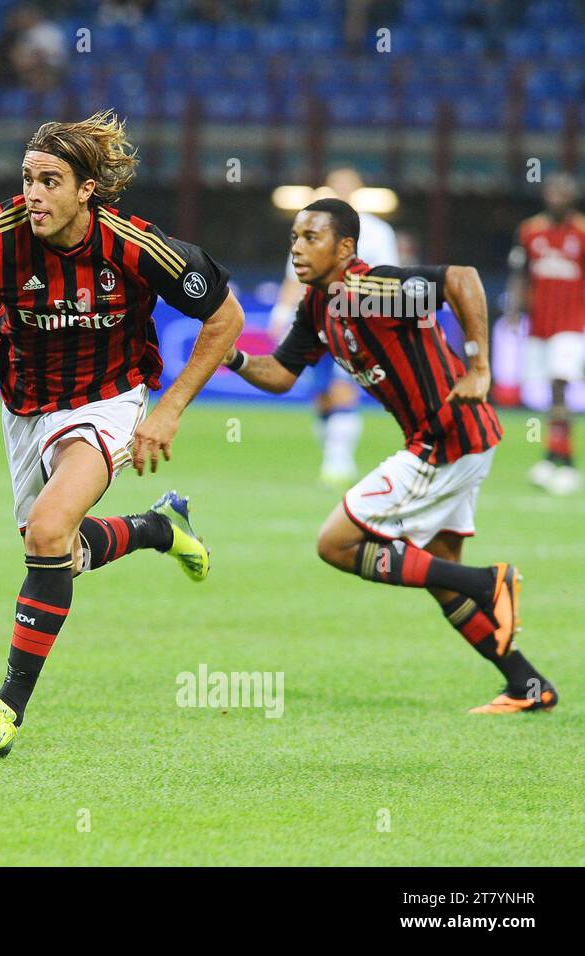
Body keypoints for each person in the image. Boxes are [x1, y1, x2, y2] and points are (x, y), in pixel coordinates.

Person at [0, 111, 243, 757]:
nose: (33, 193)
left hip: (108, 398)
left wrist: (171, 408)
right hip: (26, 405)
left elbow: (225, 318)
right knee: (57, 552)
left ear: (86, 189)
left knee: (47, 530)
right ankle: (159, 527)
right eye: (27, 179)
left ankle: (4, 712)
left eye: (50, 180)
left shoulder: (136, 246)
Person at [224, 198, 557, 715]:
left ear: (345, 248)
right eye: (293, 236)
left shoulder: (372, 291)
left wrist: (479, 366)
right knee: (438, 574)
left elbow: (462, 279)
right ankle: (527, 686)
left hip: (445, 441)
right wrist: (235, 355)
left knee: (335, 543)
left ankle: (489, 583)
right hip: (454, 441)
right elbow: (282, 374)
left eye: (311, 237)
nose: (296, 248)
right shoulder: (319, 305)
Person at [269, 168, 399, 488]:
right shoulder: (310, 229)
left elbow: (390, 279)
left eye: (347, 187)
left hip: (357, 320)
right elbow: (295, 276)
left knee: (344, 385)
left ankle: (338, 462)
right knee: (322, 392)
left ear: (357, 191)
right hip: (315, 320)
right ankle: (333, 453)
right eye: (336, 186)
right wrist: (282, 312)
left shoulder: (378, 232)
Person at [506, 173, 584, 495]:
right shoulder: (530, 231)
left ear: (573, 196)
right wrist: (514, 309)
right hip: (539, 324)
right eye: (553, 191)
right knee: (548, 395)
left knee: (559, 387)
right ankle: (554, 457)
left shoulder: (581, 232)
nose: (557, 197)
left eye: (563, 191)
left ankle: (564, 463)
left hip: (571, 324)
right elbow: (519, 273)